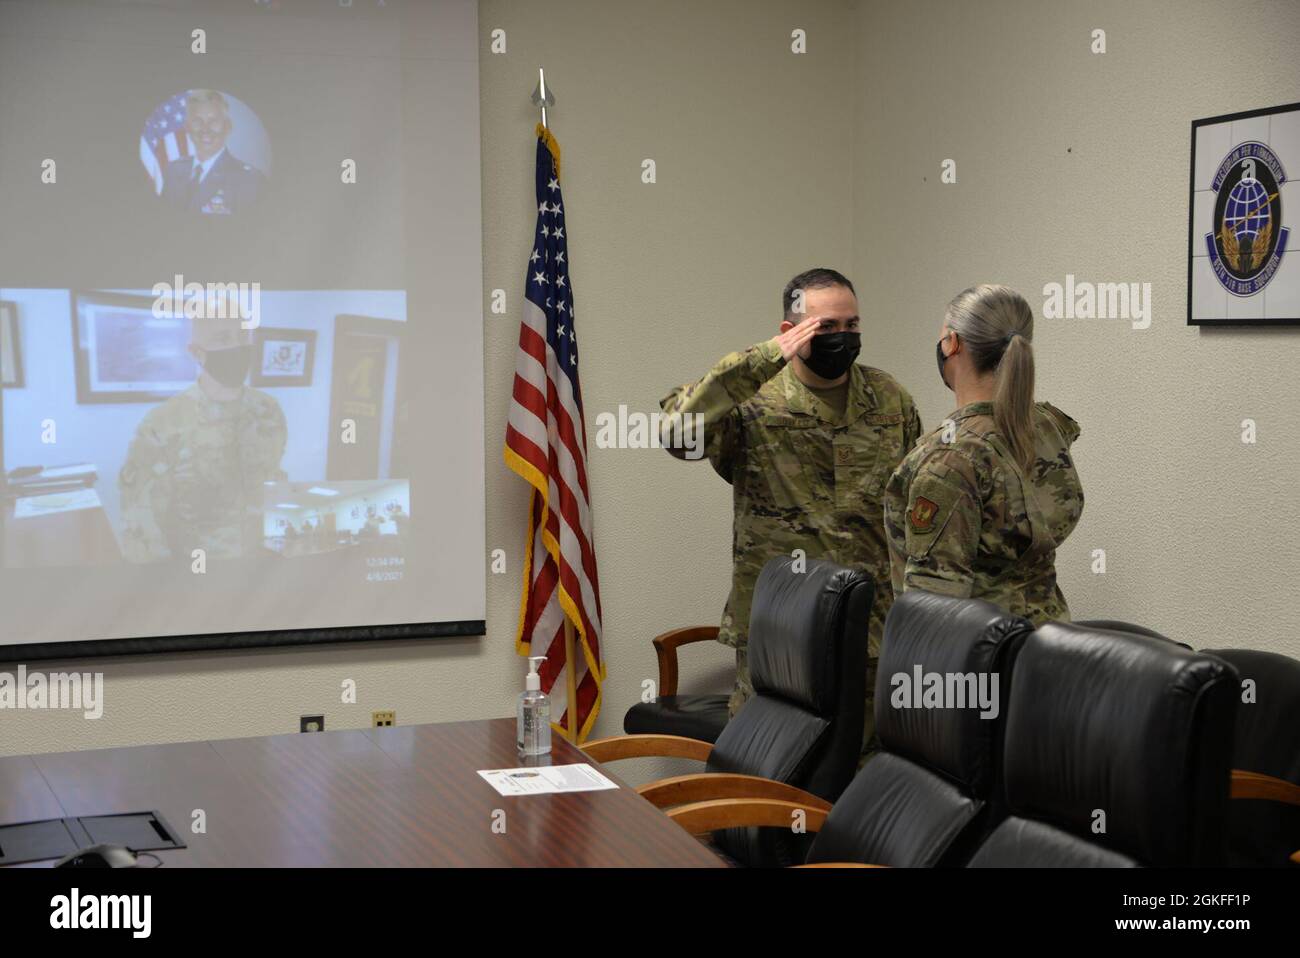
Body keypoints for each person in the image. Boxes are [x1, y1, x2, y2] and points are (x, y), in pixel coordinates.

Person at [660, 267, 923, 759]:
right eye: (826, 327)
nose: (842, 337)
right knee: (768, 771)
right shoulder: (751, 401)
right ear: (790, 333)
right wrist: (761, 360)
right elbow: (678, 435)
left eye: (852, 325)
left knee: (863, 772)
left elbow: (909, 507)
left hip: (870, 627)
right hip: (778, 628)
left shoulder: (890, 399)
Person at [883, 284, 1083, 624]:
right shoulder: (1047, 426)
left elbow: (933, 608)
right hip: (1049, 651)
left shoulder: (949, 460)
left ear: (952, 344)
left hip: (978, 663)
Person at [119, 318, 287, 563]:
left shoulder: (268, 409)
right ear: (197, 352)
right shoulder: (163, 423)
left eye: (243, 336)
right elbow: (140, 523)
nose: (238, 347)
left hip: (262, 563)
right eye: (222, 339)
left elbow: (273, 477)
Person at [161, 90, 264, 215]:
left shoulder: (248, 180)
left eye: (213, 121)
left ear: (228, 127)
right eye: (197, 121)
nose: (205, 129)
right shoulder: (174, 170)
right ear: (187, 127)